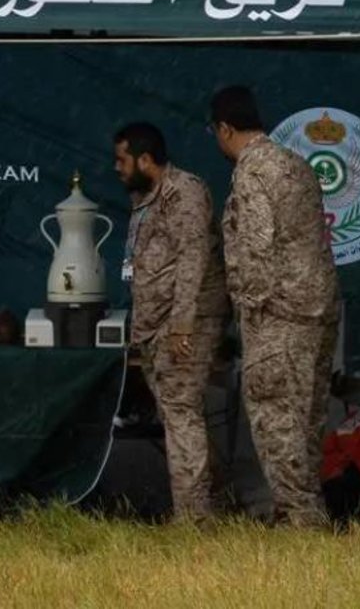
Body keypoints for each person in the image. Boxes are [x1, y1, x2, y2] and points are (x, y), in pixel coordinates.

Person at [209, 86, 340, 529]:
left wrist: (246, 305)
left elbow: (257, 245)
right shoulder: (295, 164)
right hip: (317, 309)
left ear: (225, 129)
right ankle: (302, 512)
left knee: (276, 420)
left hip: (278, 314)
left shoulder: (253, 172)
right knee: (305, 419)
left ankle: (302, 521)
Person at [113, 122, 230, 521]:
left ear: (146, 160)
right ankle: (215, 501)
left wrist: (181, 325)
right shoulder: (147, 198)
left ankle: (195, 518)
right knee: (178, 416)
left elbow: (193, 258)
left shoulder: (185, 193)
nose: (117, 168)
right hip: (156, 326)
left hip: (186, 324)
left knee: (181, 412)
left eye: (122, 160)